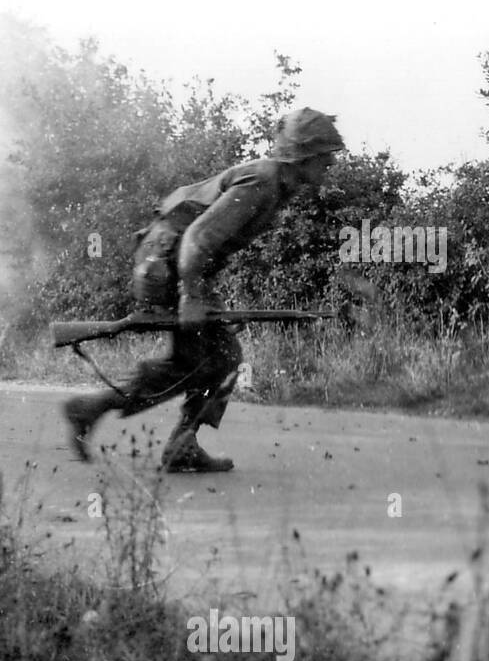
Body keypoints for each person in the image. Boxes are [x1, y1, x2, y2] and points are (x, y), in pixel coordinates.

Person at [62, 107, 345, 471]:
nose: (330, 164)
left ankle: (168, 438)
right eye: (326, 156)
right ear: (305, 154)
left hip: (168, 263)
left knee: (214, 359)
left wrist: (209, 303)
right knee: (209, 361)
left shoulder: (275, 184)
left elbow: (201, 241)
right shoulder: (263, 181)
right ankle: (103, 413)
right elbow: (197, 238)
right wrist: (192, 298)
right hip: (165, 264)